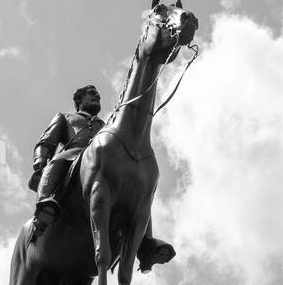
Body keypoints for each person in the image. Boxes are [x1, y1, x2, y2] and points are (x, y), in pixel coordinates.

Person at [29, 83, 174, 270]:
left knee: (139, 190)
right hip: (73, 156)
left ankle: (146, 243)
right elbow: (46, 141)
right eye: (91, 94)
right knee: (58, 161)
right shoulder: (65, 117)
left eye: (98, 95)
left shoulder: (107, 126)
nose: (96, 97)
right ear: (79, 100)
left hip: (101, 162)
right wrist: (41, 159)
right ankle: (44, 207)